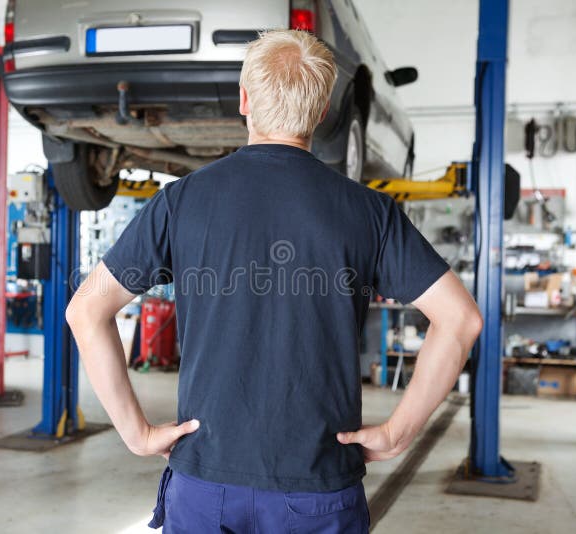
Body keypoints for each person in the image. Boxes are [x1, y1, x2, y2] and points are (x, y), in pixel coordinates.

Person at [66, 30, 482, 533]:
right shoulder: (369, 211)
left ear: (244, 99)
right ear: (324, 109)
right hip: (319, 488)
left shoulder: (180, 203)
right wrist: (399, 432)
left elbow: (85, 310)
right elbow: (460, 320)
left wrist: (135, 432)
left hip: (204, 483)